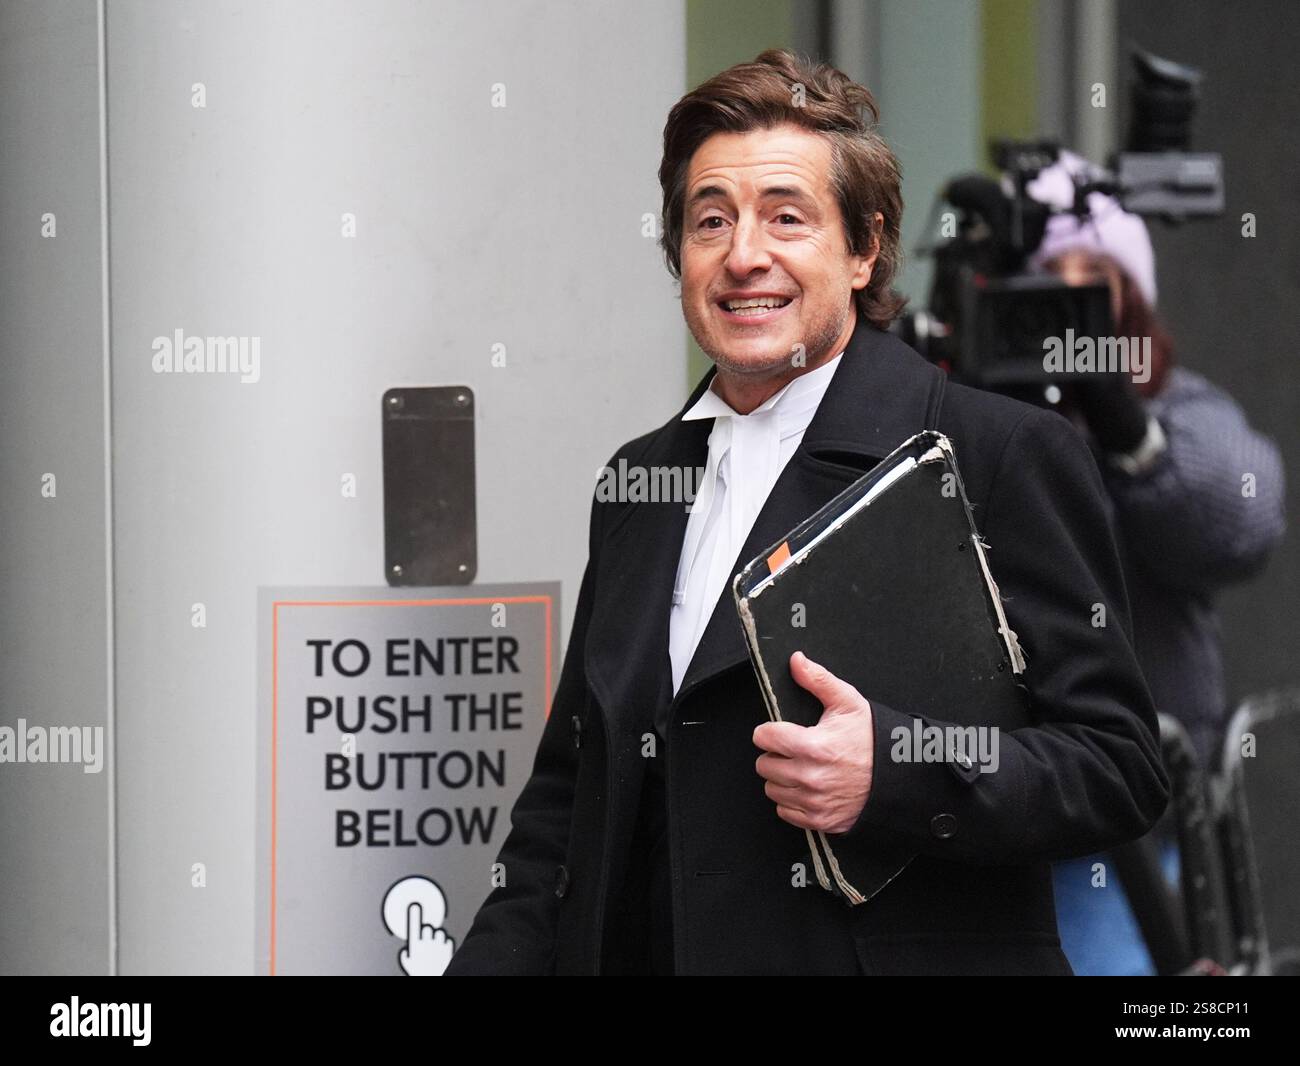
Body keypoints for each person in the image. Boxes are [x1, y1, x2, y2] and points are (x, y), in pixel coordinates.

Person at [445, 49, 1168, 976]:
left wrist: (897, 771)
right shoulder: (639, 479)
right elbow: (567, 803)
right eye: (711, 221)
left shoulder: (1000, 453)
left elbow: (1119, 766)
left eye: (787, 216)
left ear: (865, 249)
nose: (745, 255)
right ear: (679, 255)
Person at [1024, 150, 1288, 974]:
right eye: (1048, 284)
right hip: (986, 799)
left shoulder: (1181, 409)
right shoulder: (972, 415)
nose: (1069, 305)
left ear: (1131, 298)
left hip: (1131, 826)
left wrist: (1128, 436)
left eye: (1091, 279)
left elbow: (1242, 522)